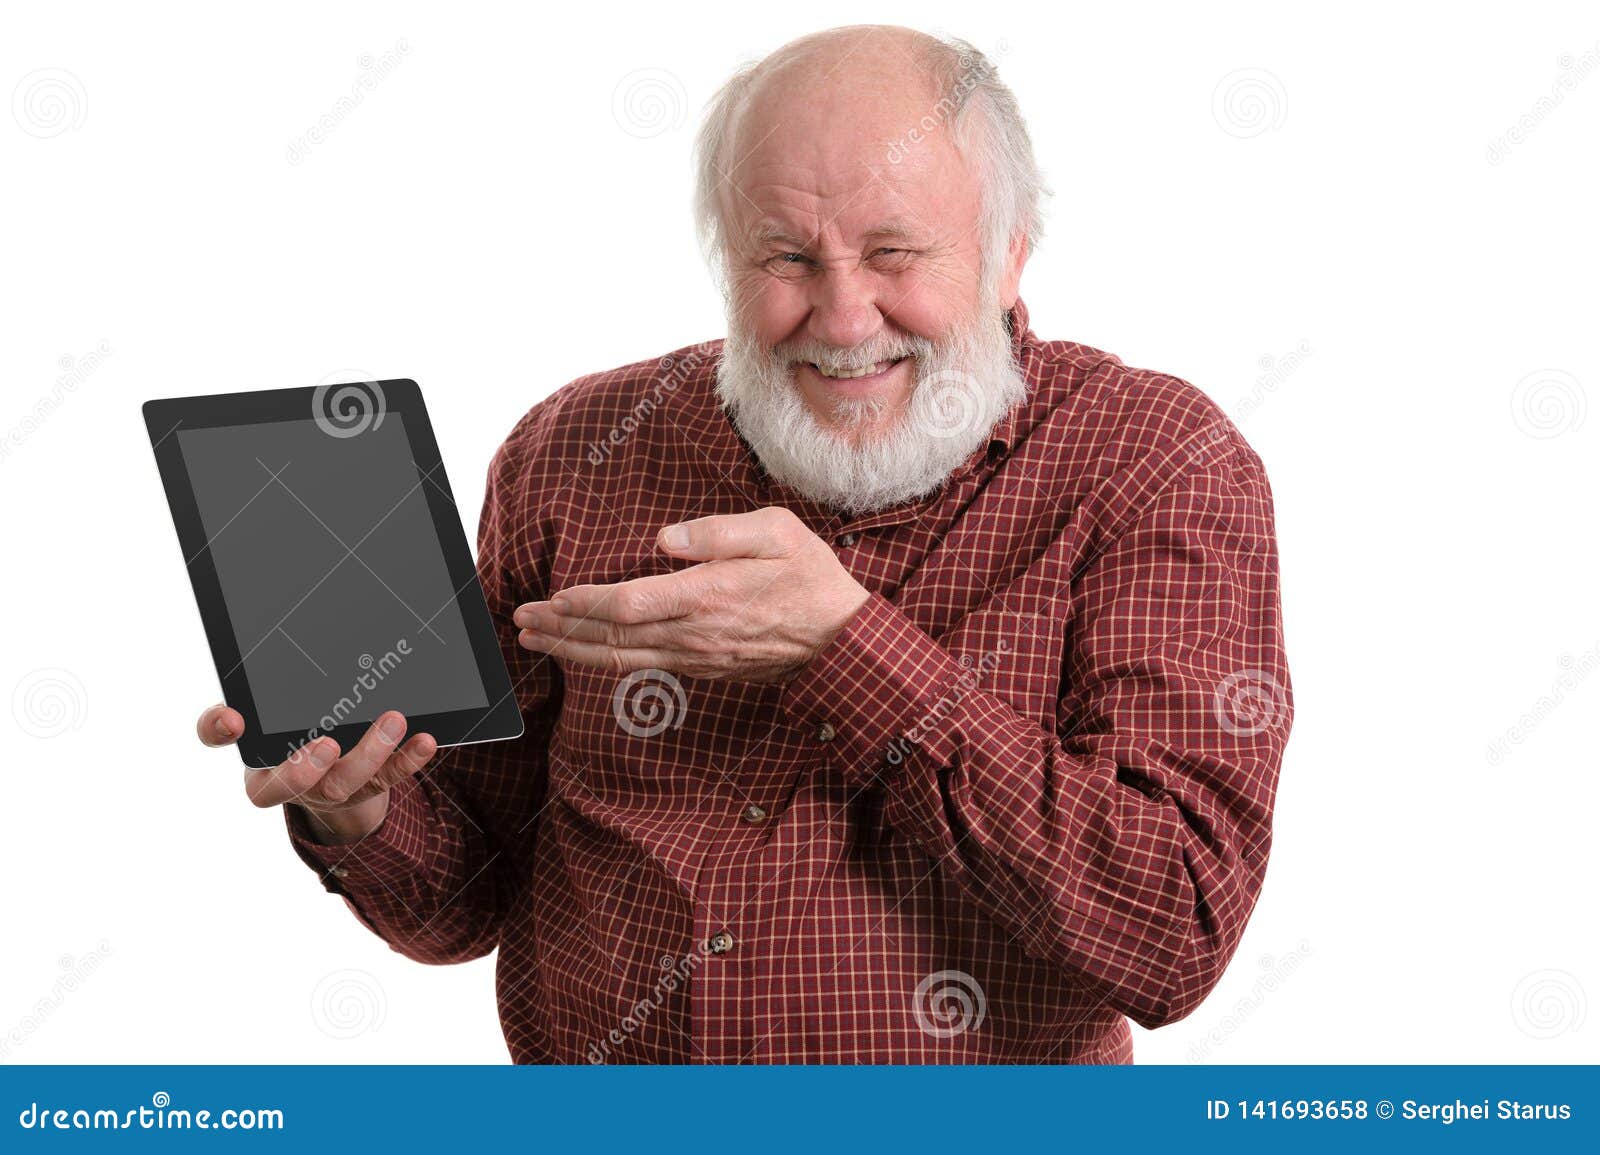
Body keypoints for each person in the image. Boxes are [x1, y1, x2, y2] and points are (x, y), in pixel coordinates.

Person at [196, 24, 1292, 1063]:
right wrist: (364, 808)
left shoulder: (1156, 458)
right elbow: (469, 901)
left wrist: (846, 649)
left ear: (1008, 253)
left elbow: (1173, 931)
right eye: (786, 257)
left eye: (893, 250)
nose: (845, 316)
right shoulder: (573, 449)